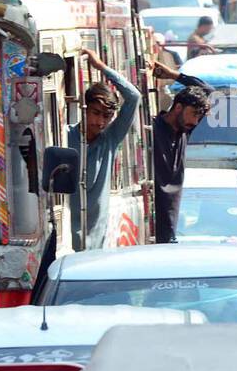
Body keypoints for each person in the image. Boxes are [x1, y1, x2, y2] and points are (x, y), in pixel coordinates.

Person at [66, 49, 142, 249]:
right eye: (96, 113)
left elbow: (134, 97)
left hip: (95, 242)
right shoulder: (65, 138)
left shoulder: (110, 140)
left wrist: (100, 66)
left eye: (107, 116)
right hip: (65, 239)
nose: (100, 122)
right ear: (85, 109)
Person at [153, 86, 211, 243]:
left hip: (170, 226)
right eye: (193, 114)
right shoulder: (152, 129)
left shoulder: (185, 132)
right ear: (178, 107)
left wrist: (172, 74)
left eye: (199, 116)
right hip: (151, 223)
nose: (196, 121)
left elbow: (209, 90)